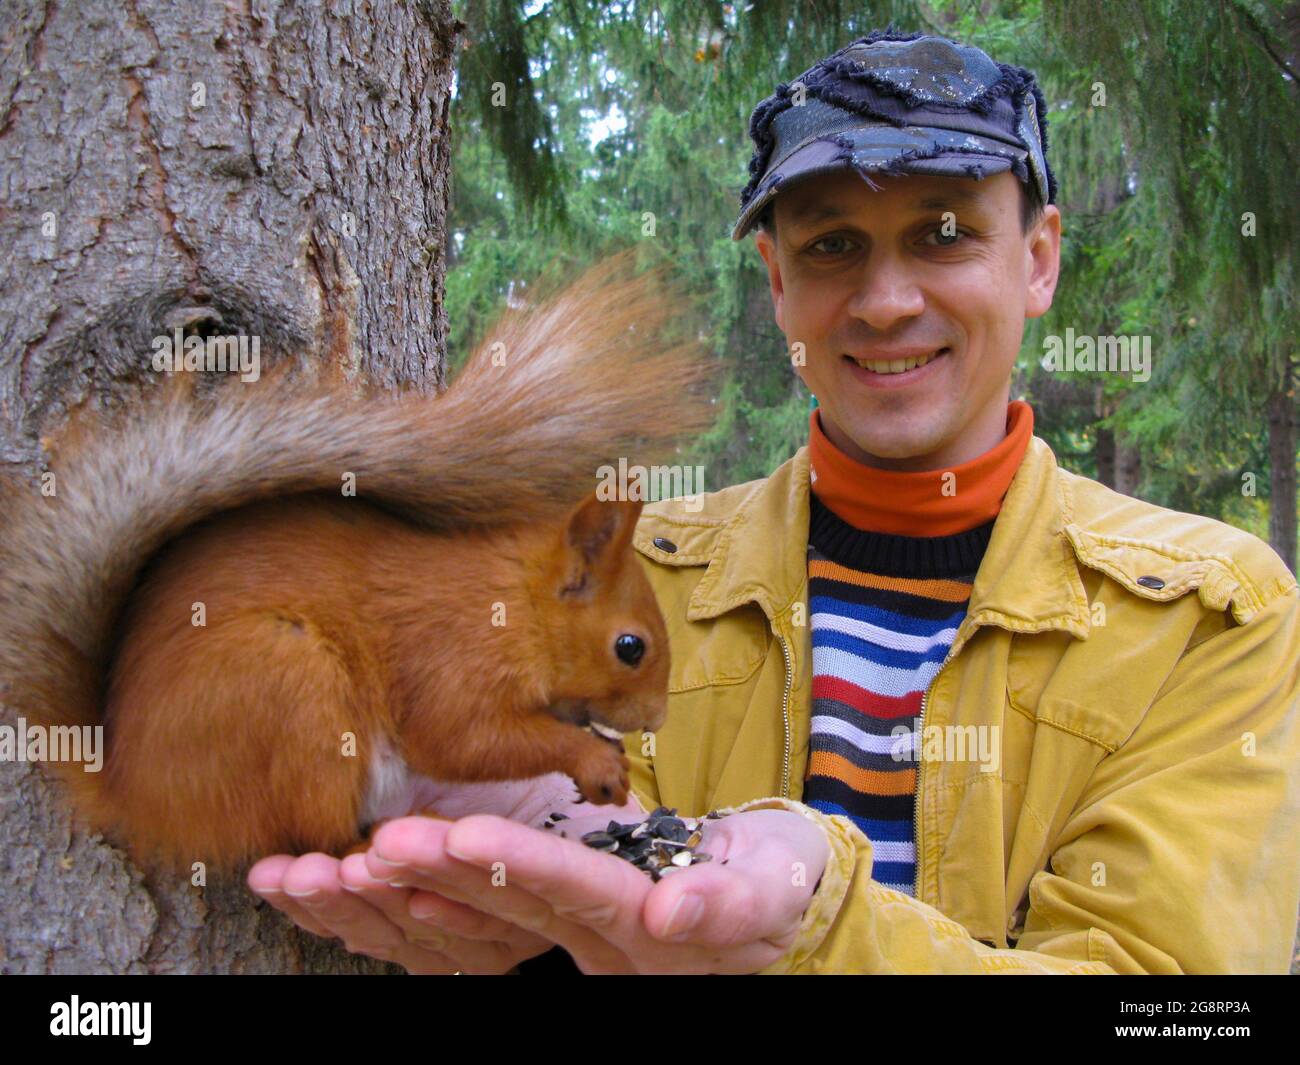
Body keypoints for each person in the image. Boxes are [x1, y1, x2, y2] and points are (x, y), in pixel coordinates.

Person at [248, 29, 1300, 974]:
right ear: (776, 283)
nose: (886, 303)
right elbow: (578, 865)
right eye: (832, 245)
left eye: (943, 235)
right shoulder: (637, 573)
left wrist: (811, 929)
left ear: (1036, 260)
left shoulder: (1209, 615)